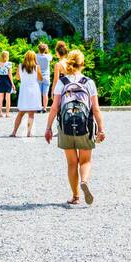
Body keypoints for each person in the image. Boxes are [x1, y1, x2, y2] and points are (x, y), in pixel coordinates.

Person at [44, 50, 105, 206]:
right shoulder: (89, 82)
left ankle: (75, 196)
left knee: (72, 163)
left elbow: (55, 107)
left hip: (66, 126)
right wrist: (101, 129)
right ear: (82, 64)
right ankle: (84, 181)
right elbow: (96, 109)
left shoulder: (62, 82)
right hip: (85, 126)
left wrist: (48, 128)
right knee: (85, 161)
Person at [11, 51, 43, 137]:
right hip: (33, 90)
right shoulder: (36, 67)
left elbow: (17, 77)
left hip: (24, 90)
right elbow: (40, 78)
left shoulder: (20, 66)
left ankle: (14, 132)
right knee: (31, 114)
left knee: (21, 112)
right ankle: (29, 132)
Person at [0, 50, 15, 118]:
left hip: (1, 80)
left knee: (0, 98)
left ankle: (0, 113)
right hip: (7, 80)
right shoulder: (9, 64)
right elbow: (10, 75)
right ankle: (7, 113)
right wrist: (12, 84)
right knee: (7, 98)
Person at [35, 42, 53, 110]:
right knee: (45, 94)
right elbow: (51, 56)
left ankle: (39, 107)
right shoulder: (48, 56)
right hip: (46, 77)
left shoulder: (35, 56)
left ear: (38, 49)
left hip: (38, 76)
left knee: (38, 94)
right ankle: (45, 108)